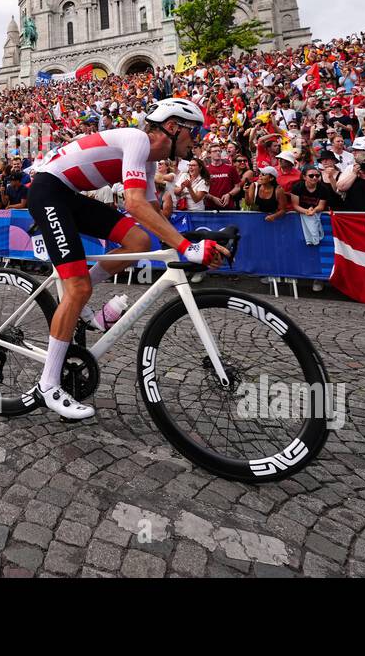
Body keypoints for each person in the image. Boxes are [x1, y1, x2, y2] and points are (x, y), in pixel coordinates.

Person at [26, 98, 226, 420]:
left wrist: (194, 242)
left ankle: (80, 294)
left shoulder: (147, 163)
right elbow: (134, 204)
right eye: (194, 131)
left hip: (69, 195)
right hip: (48, 191)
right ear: (172, 128)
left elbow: (148, 218)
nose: (197, 139)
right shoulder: (136, 140)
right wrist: (187, 247)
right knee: (77, 288)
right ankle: (47, 386)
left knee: (138, 240)